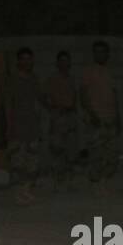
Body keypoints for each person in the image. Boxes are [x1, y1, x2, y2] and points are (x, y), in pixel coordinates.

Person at [78, 40, 121, 196]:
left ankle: (104, 182)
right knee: (96, 154)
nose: (101, 54)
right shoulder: (88, 71)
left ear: (107, 54)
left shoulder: (109, 72)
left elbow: (114, 96)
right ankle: (95, 183)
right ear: (94, 54)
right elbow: (82, 96)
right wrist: (91, 114)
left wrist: (118, 117)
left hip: (110, 120)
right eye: (97, 52)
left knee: (111, 154)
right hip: (96, 120)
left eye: (103, 52)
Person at [4, 46, 44, 205]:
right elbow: (7, 104)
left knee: (32, 162)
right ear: (18, 61)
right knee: (18, 162)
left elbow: (39, 99)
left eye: (30, 59)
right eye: (24, 59)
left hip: (32, 126)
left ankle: (27, 190)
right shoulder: (12, 79)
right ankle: (18, 192)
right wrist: (9, 125)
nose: (27, 62)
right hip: (17, 126)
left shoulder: (34, 78)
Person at [42, 50, 79, 190]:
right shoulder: (52, 79)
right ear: (57, 63)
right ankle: (57, 180)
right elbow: (42, 96)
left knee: (71, 150)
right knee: (57, 150)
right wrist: (52, 108)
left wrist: (74, 111)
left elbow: (75, 97)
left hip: (70, 117)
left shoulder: (71, 78)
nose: (65, 63)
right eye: (62, 61)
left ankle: (69, 181)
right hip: (58, 118)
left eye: (67, 61)